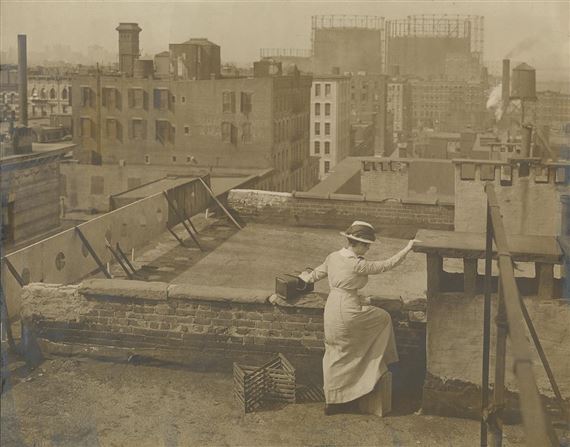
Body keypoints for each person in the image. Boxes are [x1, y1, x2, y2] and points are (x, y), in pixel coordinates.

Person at [298, 220, 419, 415]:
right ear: (358, 243)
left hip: (331, 309)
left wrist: (304, 277)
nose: (368, 249)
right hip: (348, 310)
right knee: (383, 318)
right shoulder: (356, 264)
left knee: (335, 351)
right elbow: (387, 265)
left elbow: (314, 275)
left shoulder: (333, 257)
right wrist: (408, 247)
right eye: (367, 245)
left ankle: (332, 400)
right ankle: (381, 362)